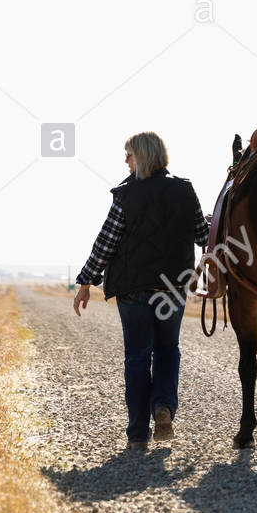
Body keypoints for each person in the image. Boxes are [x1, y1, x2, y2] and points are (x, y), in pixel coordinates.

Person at [72, 131, 209, 452]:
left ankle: (137, 435)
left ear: (142, 157)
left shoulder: (126, 195)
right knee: (167, 350)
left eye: (129, 155)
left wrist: (85, 283)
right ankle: (163, 407)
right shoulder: (184, 190)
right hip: (172, 289)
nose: (125, 160)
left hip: (133, 290)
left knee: (137, 356)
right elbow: (203, 235)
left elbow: (106, 244)